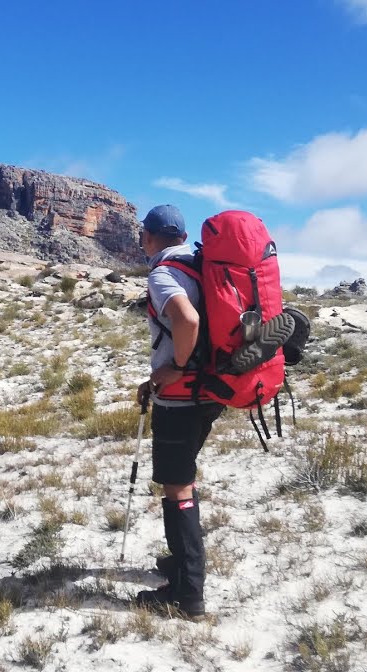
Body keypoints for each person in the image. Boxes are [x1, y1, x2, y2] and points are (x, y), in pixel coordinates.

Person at [134, 204, 223, 619]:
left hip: (181, 396)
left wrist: (177, 369)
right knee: (183, 476)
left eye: (143, 234)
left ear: (149, 237)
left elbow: (187, 321)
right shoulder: (201, 267)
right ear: (183, 237)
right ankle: (181, 563)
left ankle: (188, 594)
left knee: (177, 487)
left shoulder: (163, 274)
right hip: (211, 391)